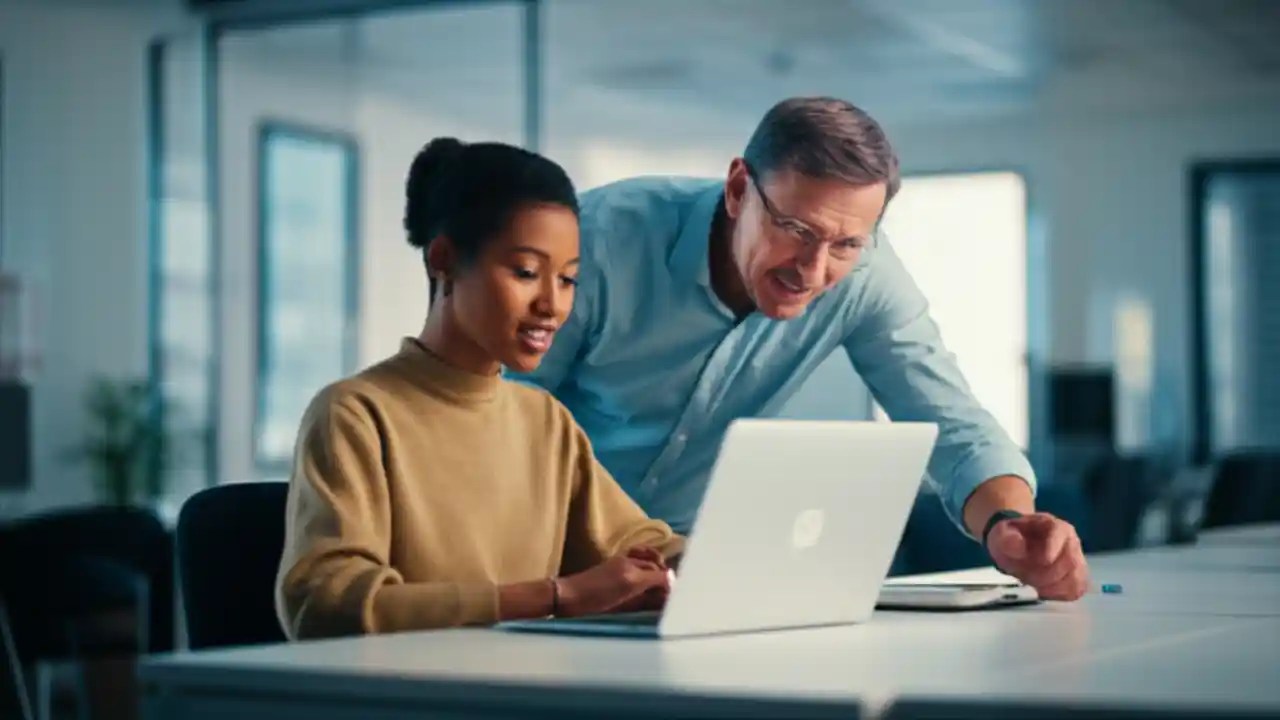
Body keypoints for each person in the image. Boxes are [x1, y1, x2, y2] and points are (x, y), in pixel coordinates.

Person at [511, 97, 1090, 601]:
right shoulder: (597, 240)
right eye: (797, 229)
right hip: (544, 559)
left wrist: (1010, 525)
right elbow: (508, 420)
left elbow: (955, 427)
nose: (813, 271)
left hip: (687, 576)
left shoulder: (866, 275)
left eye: (846, 243)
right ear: (739, 189)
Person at [276, 138, 681, 640]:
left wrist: (750, 569)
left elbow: (642, 546)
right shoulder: (355, 414)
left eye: (569, 279)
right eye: (527, 273)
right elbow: (325, 603)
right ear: (443, 259)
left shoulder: (544, 421)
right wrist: (557, 596)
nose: (551, 305)